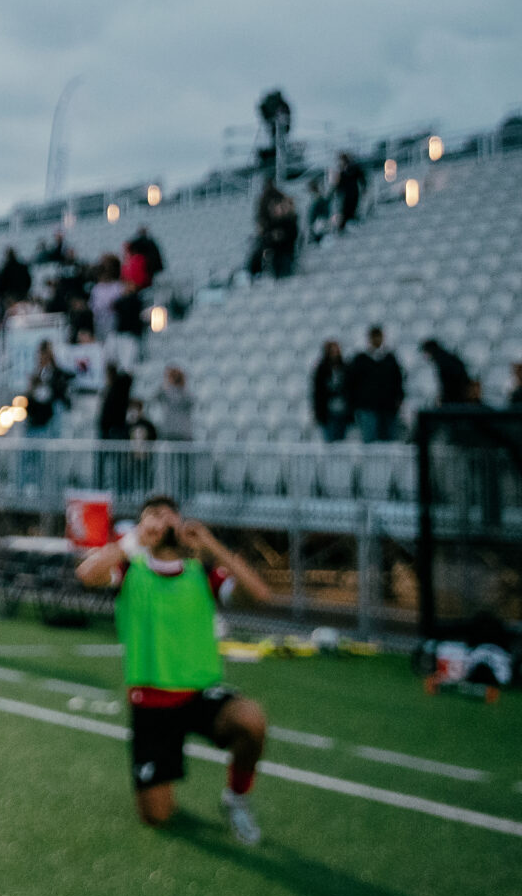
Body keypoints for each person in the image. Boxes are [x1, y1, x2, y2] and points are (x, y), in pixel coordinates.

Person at [76, 494, 273, 844]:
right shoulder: (128, 567)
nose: (162, 521)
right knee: (157, 817)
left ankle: (236, 798)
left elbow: (258, 594)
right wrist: (135, 540)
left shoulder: (202, 572)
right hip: (151, 704)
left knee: (251, 720)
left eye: (170, 515)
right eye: (153, 515)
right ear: (142, 524)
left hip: (200, 694)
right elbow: (87, 574)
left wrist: (211, 544)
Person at [345, 326, 405, 441]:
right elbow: (351, 382)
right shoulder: (360, 359)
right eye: (374, 337)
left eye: (379, 337)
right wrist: (355, 402)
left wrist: (399, 398)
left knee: (389, 440)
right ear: (369, 339)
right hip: (368, 407)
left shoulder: (390, 358)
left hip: (388, 406)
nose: (377, 340)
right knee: (370, 441)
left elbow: (398, 380)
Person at [311, 339, 350, 441]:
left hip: (343, 409)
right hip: (327, 410)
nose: (335, 353)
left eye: (336, 350)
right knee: (330, 440)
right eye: (332, 351)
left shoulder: (345, 367)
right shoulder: (321, 369)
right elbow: (317, 392)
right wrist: (317, 412)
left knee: (341, 439)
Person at [420, 338, 476, 406]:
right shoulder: (447, 358)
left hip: (456, 397)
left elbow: (448, 383)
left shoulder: (442, 361)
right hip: (460, 395)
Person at [151, 366, 196, 443]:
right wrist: (164, 387)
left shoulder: (185, 393)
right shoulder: (163, 391)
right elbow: (153, 398)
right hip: (168, 430)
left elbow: (189, 403)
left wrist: (170, 388)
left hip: (183, 432)